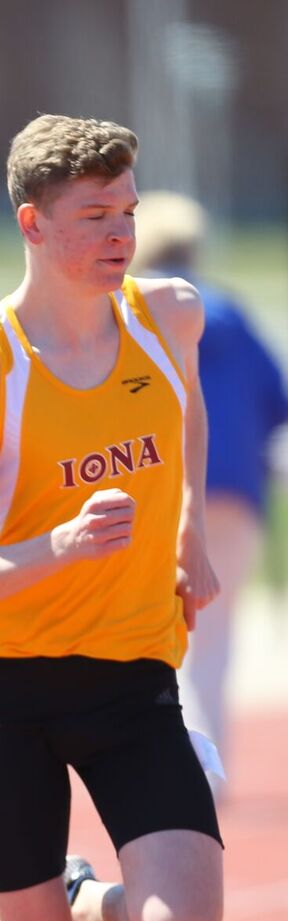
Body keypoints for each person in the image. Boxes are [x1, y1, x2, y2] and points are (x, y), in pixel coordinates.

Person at [0, 115, 223, 921]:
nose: (119, 235)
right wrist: (57, 543)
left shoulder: (170, 316)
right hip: (13, 692)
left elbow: (188, 419)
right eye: (93, 216)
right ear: (32, 224)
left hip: (132, 674)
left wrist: (191, 532)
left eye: (127, 210)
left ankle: (84, 905)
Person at [129, 191, 288, 801]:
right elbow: (277, 401)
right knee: (217, 637)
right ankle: (211, 772)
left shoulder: (130, 314)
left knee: (156, 635)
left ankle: (168, 768)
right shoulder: (231, 313)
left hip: (162, 493)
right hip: (237, 496)